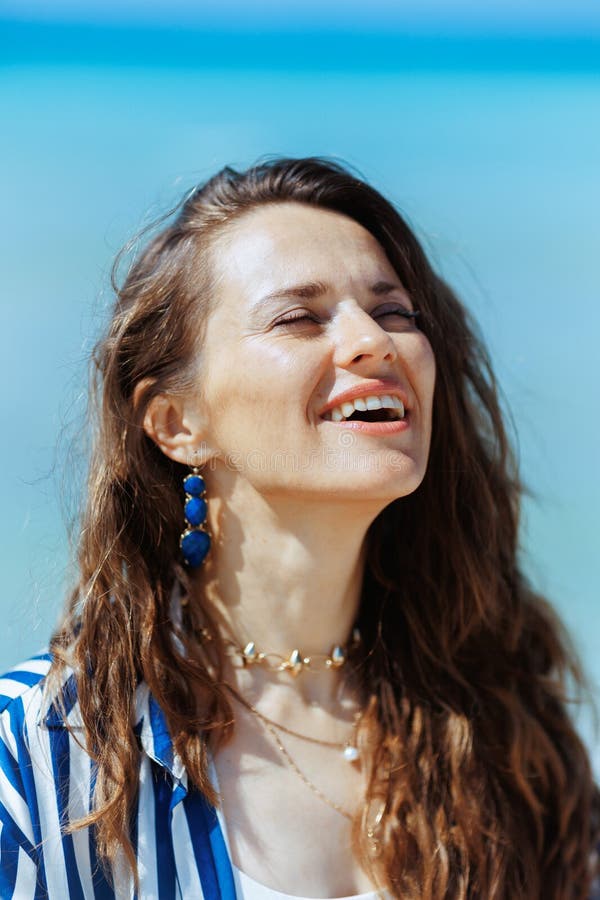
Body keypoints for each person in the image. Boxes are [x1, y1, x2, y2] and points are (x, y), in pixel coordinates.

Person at [0, 157, 598, 900]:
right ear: (177, 423)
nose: (373, 342)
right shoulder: (37, 757)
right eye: (298, 318)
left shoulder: (502, 723)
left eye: (394, 313)